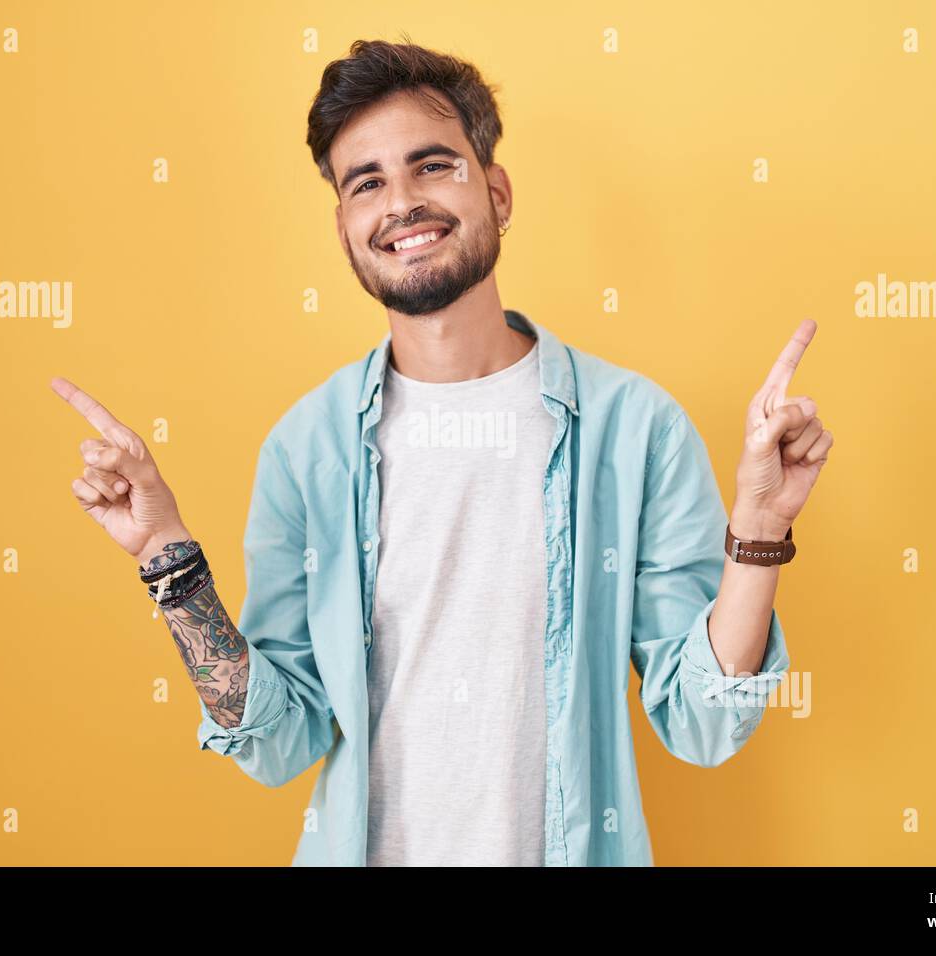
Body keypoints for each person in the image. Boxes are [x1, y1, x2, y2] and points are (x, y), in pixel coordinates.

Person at [50, 38, 833, 866]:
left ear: (495, 192)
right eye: (368, 183)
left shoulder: (636, 428)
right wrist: (171, 563)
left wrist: (759, 530)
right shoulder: (305, 450)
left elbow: (704, 723)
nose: (402, 203)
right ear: (346, 225)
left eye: (433, 166)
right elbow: (278, 742)